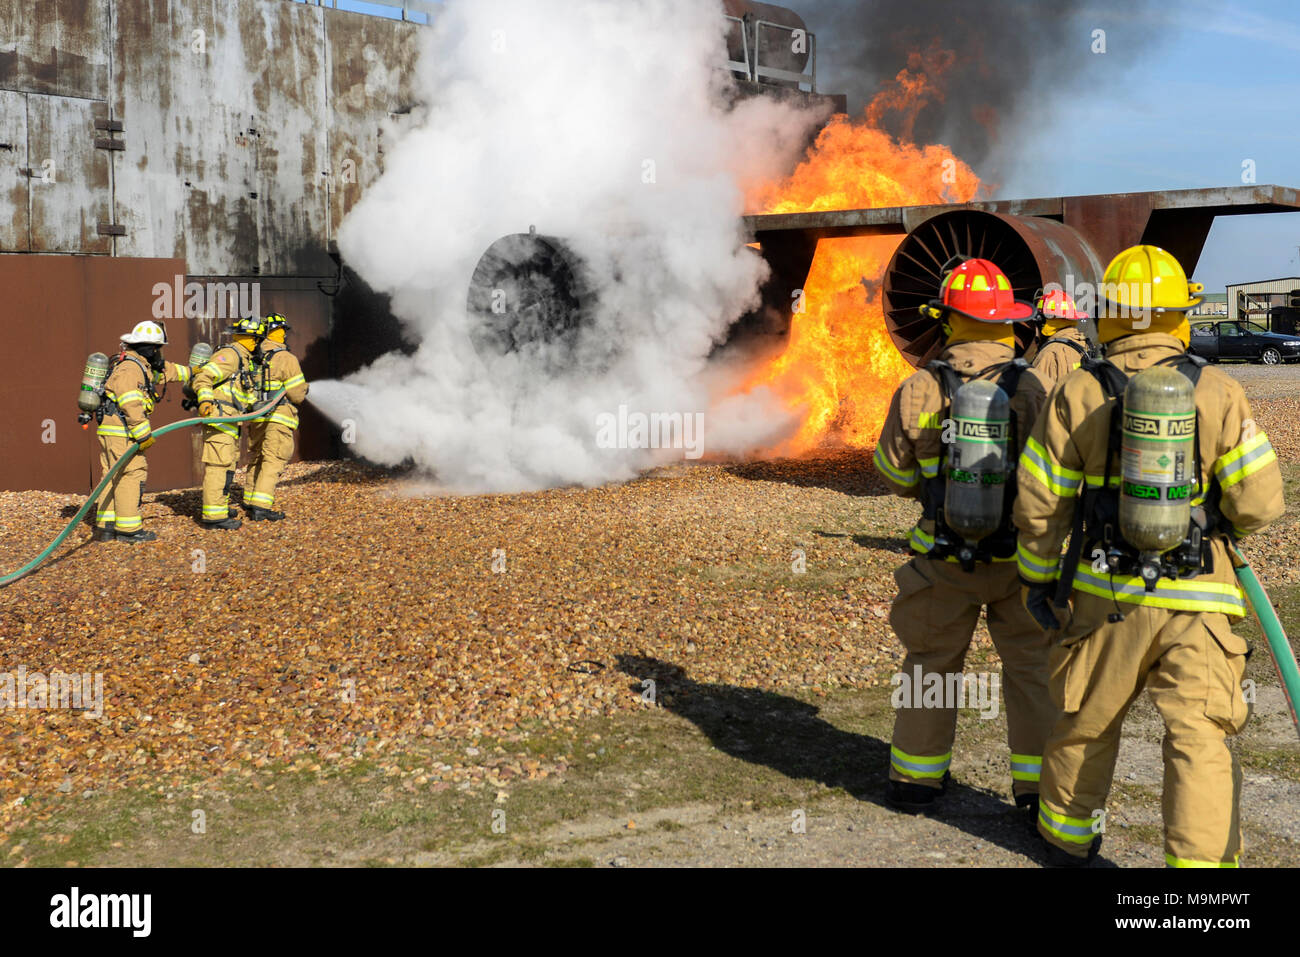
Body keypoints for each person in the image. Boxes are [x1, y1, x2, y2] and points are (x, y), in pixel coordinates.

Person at [1015, 245, 1285, 867]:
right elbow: (1263, 501)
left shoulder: (1079, 391)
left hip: (1104, 594)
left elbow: (1039, 506)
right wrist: (1214, 517)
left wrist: (1038, 580)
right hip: (1200, 600)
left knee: (1085, 721)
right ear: (1180, 315)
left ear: (1109, 313)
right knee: (1199, 739)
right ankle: (1198, 882)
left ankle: (1064, 839)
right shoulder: (1218, 390)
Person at [873, 258, 1055, 813]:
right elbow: (1057, 476)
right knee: (1031, 669)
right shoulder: (1034, 386)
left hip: (943, 557)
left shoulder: (920, 385)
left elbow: (894, 473)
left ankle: (915, 781)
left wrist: (938, 486)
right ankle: (1036, 791)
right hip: (1020, 559)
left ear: (949, 319)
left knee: (931, 665)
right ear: (1007, 322)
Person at [93, 321, 191, 543]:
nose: (159, 353)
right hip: (123, 431)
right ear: (149, 348)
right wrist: (143, 433)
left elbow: (164, 374)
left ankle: (106, 526)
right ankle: (129, 530)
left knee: (111, 475)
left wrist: (193, 372)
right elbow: (130, 402)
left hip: (112, 429)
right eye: (157, 348)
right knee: (131, 474)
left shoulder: (138, 365)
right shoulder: (131, 368)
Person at [190, 317, 261, 530]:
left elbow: (239, 394)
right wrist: (204, 400)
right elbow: (203, 377)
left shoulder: (243, 359)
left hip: (230, 421)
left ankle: (220, 505)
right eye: (257, 340)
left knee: (228, 466)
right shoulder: (230, 355)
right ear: (252, 339)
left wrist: (255, 406)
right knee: (218, 467)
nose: (258, 345)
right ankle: (214, 517)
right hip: (219, 420)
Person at [242, 314, 309, 520]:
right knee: (273, 460)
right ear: (279, 332)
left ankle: (250, 500)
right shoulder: (286, 358)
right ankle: (261, 507)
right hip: (279, 417)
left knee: (258, 458)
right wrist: (305, 389)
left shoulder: (254, 358)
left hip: (257, 417)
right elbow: (297, 394)